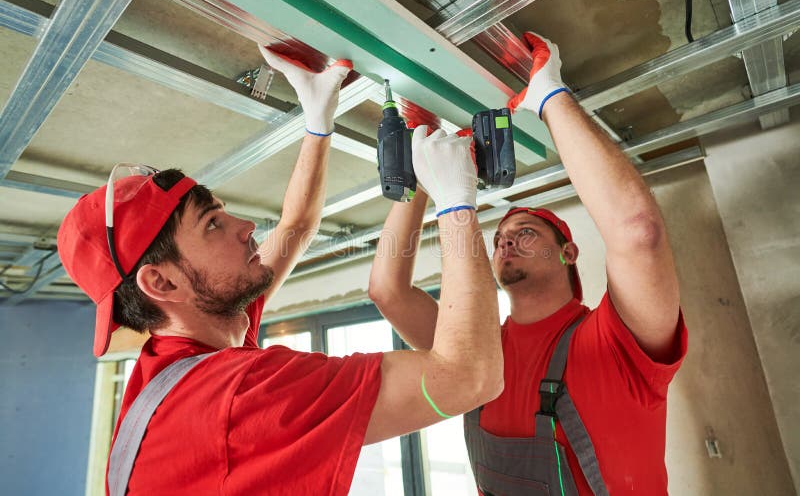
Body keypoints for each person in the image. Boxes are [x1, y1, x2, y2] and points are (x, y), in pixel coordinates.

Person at [57, 47, 503, 495]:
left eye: (222, 212)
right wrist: (456, 202)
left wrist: (317, 119)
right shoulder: (234, 396)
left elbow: (295, 227)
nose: (248, 226)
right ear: (162, 282)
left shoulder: (194, 343)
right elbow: (468, 379)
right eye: (212, 225)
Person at [368, 32, 688, 496]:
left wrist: (549, 95)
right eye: (498, 239)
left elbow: (639, 233)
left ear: (568, 253)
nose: (505, 244)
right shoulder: (479, 350)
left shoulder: (613, 342)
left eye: (525, 234)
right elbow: (387, 291)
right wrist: (423, 177)